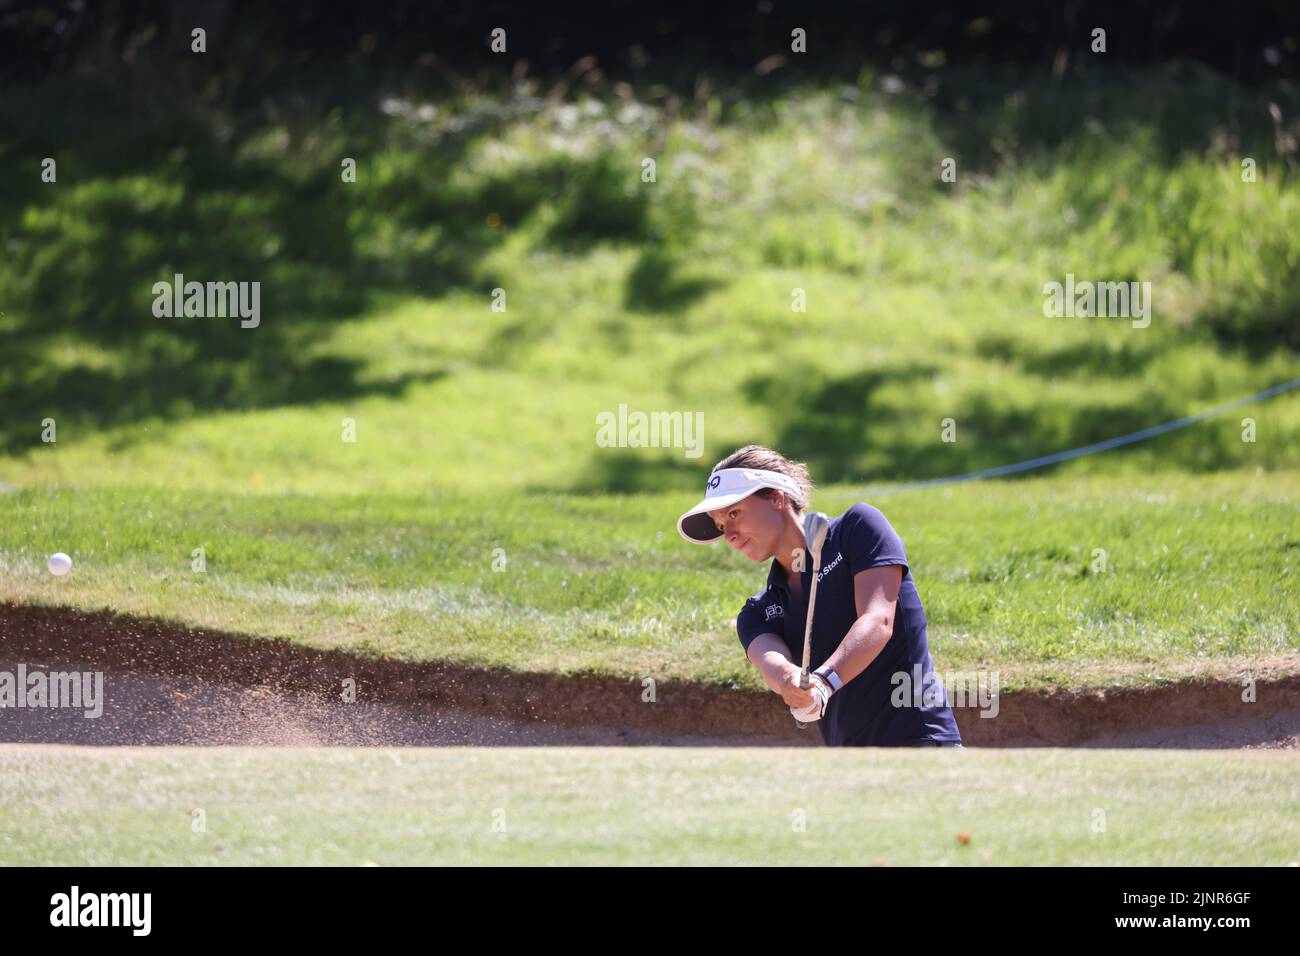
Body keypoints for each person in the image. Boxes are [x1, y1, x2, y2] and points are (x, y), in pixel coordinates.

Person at [676, 444, 963, 747]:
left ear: (776, 497)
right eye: (721, 525)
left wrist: (824, 682)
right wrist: (789, 680)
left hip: (923, 745)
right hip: (848, 768)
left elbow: (878, 620)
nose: (729, 535)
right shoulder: (757, 612)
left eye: (734, 513)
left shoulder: (858, 529)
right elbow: (770, 661)